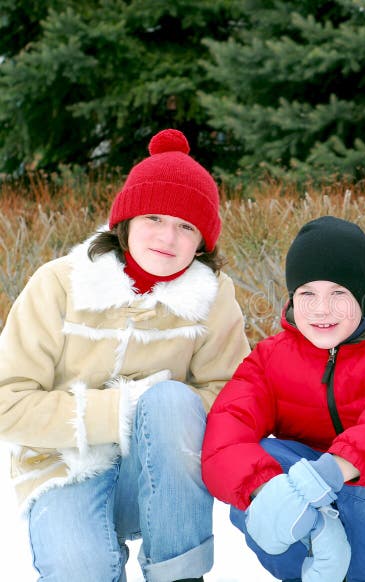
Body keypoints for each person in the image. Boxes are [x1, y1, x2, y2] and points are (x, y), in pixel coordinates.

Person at [0, 128, 251, 582]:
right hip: (64, 465)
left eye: (186, 226)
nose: (167, 237)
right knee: (82, 569)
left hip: (159, 478)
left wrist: (155, 410)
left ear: (202, 242)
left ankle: (178, 574)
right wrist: (120, 409)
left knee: (173, 401)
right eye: (154, 217)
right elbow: (7, 401)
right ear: (126, 222)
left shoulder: (212, 297)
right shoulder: (58, 284)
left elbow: (234, 394)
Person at [201, 216, 365, 582]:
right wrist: (271, 491)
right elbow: (225, 434)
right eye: (307, 293)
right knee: (253, 483)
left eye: (338, 294)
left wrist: (328, 473)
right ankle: (317, 565)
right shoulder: (271, 358)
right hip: (319, 491)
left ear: (364, 294)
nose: (321, 309)